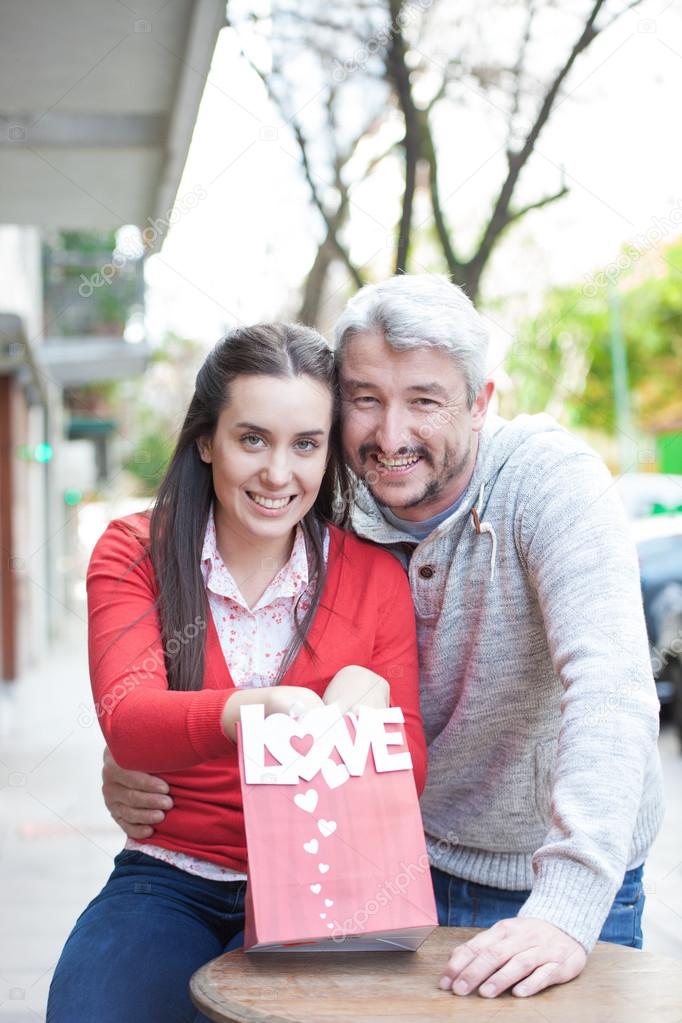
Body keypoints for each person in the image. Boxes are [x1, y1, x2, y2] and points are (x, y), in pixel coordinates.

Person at [103, 276, 664, 1000]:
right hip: (398, 868)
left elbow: (612, 689)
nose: (391, 436)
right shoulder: (324, 499)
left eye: (424, 401)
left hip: (551, 873)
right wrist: (140, 749)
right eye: (366, 399)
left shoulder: (549, 484)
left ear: (481, 402)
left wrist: (566, 906)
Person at [47, 322, 427, 1023]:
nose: (278, 474)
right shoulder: (136, 551)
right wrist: (258, 712)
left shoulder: (374, 578)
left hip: (325, 884)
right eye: (252, 439)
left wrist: (366, 719)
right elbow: (130, 721)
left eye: (305, 444)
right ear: (206, 440)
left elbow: (410, 775)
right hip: (173, 876)